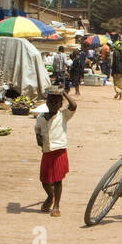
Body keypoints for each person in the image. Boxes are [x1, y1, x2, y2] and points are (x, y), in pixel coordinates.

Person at [34, 86, 77, 217]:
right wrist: (39, 141)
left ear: (60, 105)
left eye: (56, 103)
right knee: (45, 180)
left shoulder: (63, 115)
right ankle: (50, 196)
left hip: (59, 151)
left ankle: (56, 205)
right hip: (47, 152)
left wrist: (63, 92)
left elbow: (74, 105)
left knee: (58, 180)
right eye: (51, 102)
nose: (53, 105)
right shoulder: (41, 118)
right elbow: (38, 132)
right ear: (46, 103)